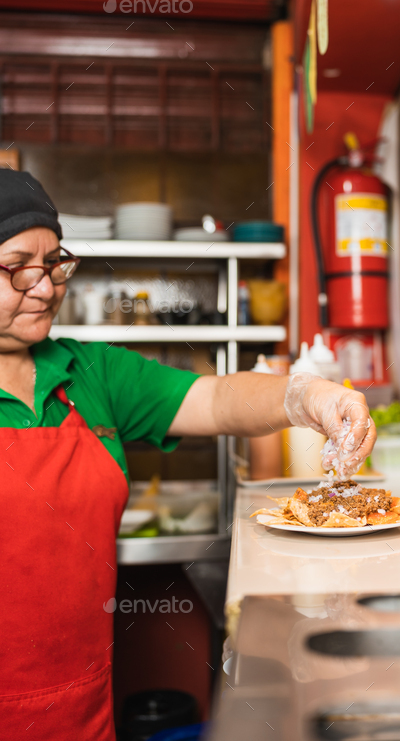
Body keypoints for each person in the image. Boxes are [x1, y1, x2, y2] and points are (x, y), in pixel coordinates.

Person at [0, 170, 376, 740]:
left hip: (85, 709)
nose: (47, 286)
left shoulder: (88, 371)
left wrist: (309, 395)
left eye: (55, 263)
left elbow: (219, 399)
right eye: (19, 266)